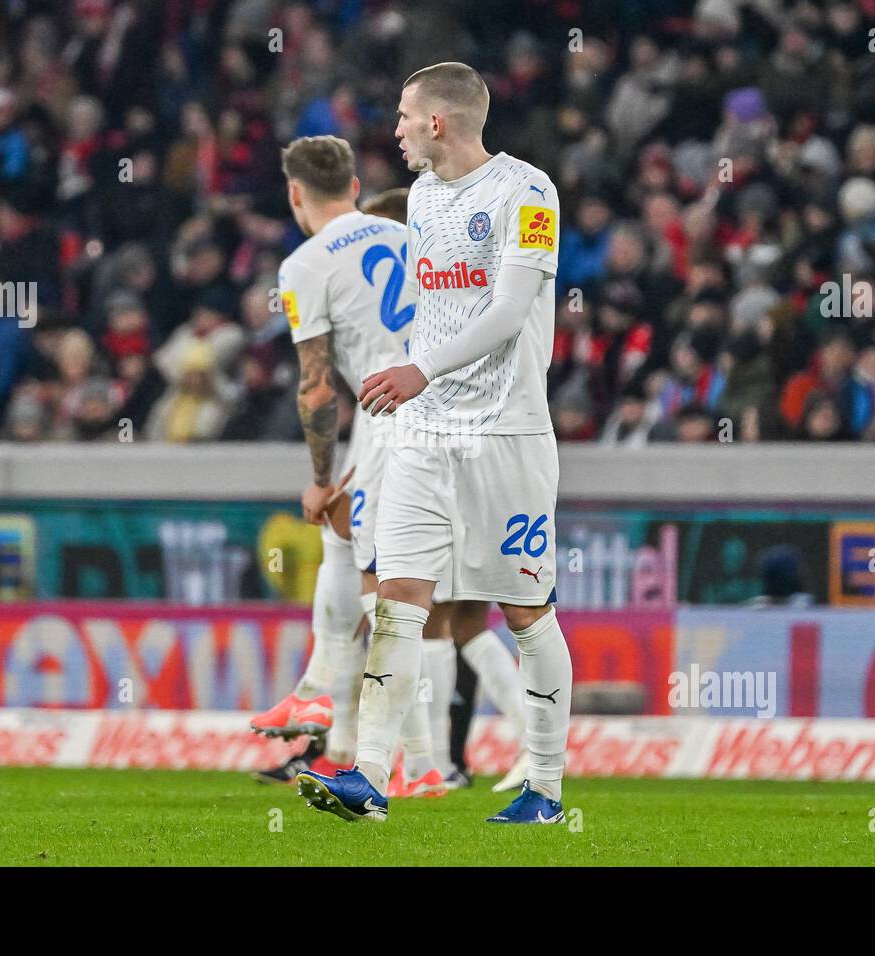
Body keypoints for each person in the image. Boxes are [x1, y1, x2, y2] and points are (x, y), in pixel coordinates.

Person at [297, 63, 571, 824]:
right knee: (400, 598)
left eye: (404, 116)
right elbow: (438, 314)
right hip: (424, 431)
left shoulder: (529, 191)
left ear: (439, 124)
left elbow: (511, 309)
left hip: (507, 434)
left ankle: (545, 787)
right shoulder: (420, 197)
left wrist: (419, 368)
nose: (395, 129)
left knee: (525, 611)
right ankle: (372, 778)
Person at [247, 139, 446, 797]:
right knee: (367, 567)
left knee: (384, 592)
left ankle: (404, 759)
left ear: (295, 194)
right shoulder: (401, 233)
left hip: (393, 418)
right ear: (356, 185)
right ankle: (335, 709)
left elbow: (314, 387)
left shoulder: (304, 264)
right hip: (448, 404)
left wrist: (320, 473)